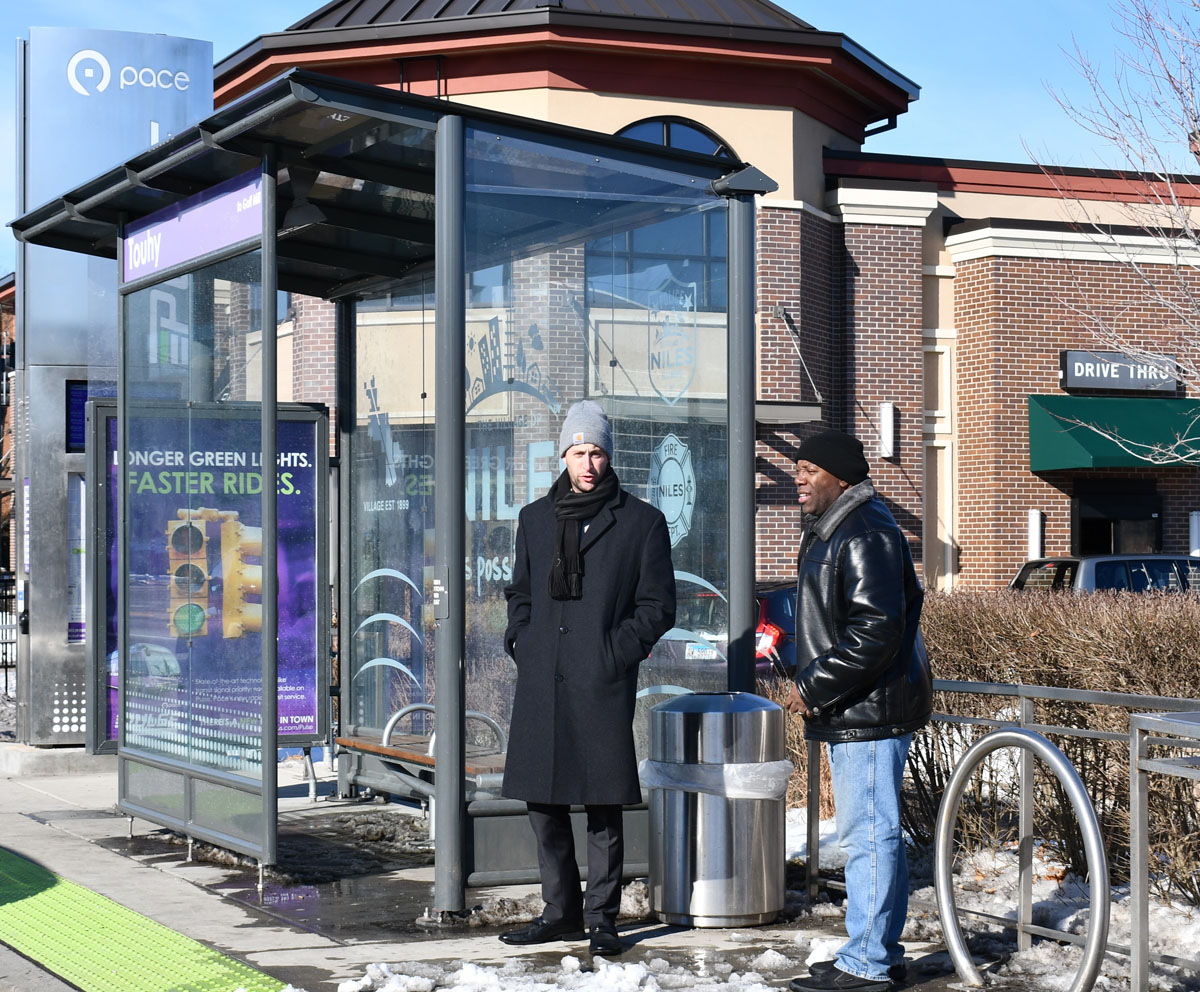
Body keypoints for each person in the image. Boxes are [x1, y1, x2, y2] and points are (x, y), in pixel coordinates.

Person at [498, 399, 676, 957]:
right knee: (542, 803)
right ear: (564, 456)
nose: (588, 463)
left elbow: (657, 606)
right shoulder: (534, 518)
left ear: (608, 455)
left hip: (600, 680)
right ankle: (561, 913)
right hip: (542, 680)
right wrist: (520, 639)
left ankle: (602, 918)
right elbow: (520, 593)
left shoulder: (642, 522)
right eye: (578, 452)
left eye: (596, 451)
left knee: (601, 804)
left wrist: (613, 652)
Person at [783, 429, 932, 992]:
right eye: (796, 466)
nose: (798, 476)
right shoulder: (839, 526)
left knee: (868, 837)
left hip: (868, 711)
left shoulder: (865, 530)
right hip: (859, 708)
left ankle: (867, 963)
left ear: (841, 477)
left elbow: (877, 631)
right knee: (872, 835)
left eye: (809, 468)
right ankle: (878, 952)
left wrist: (813, 686)